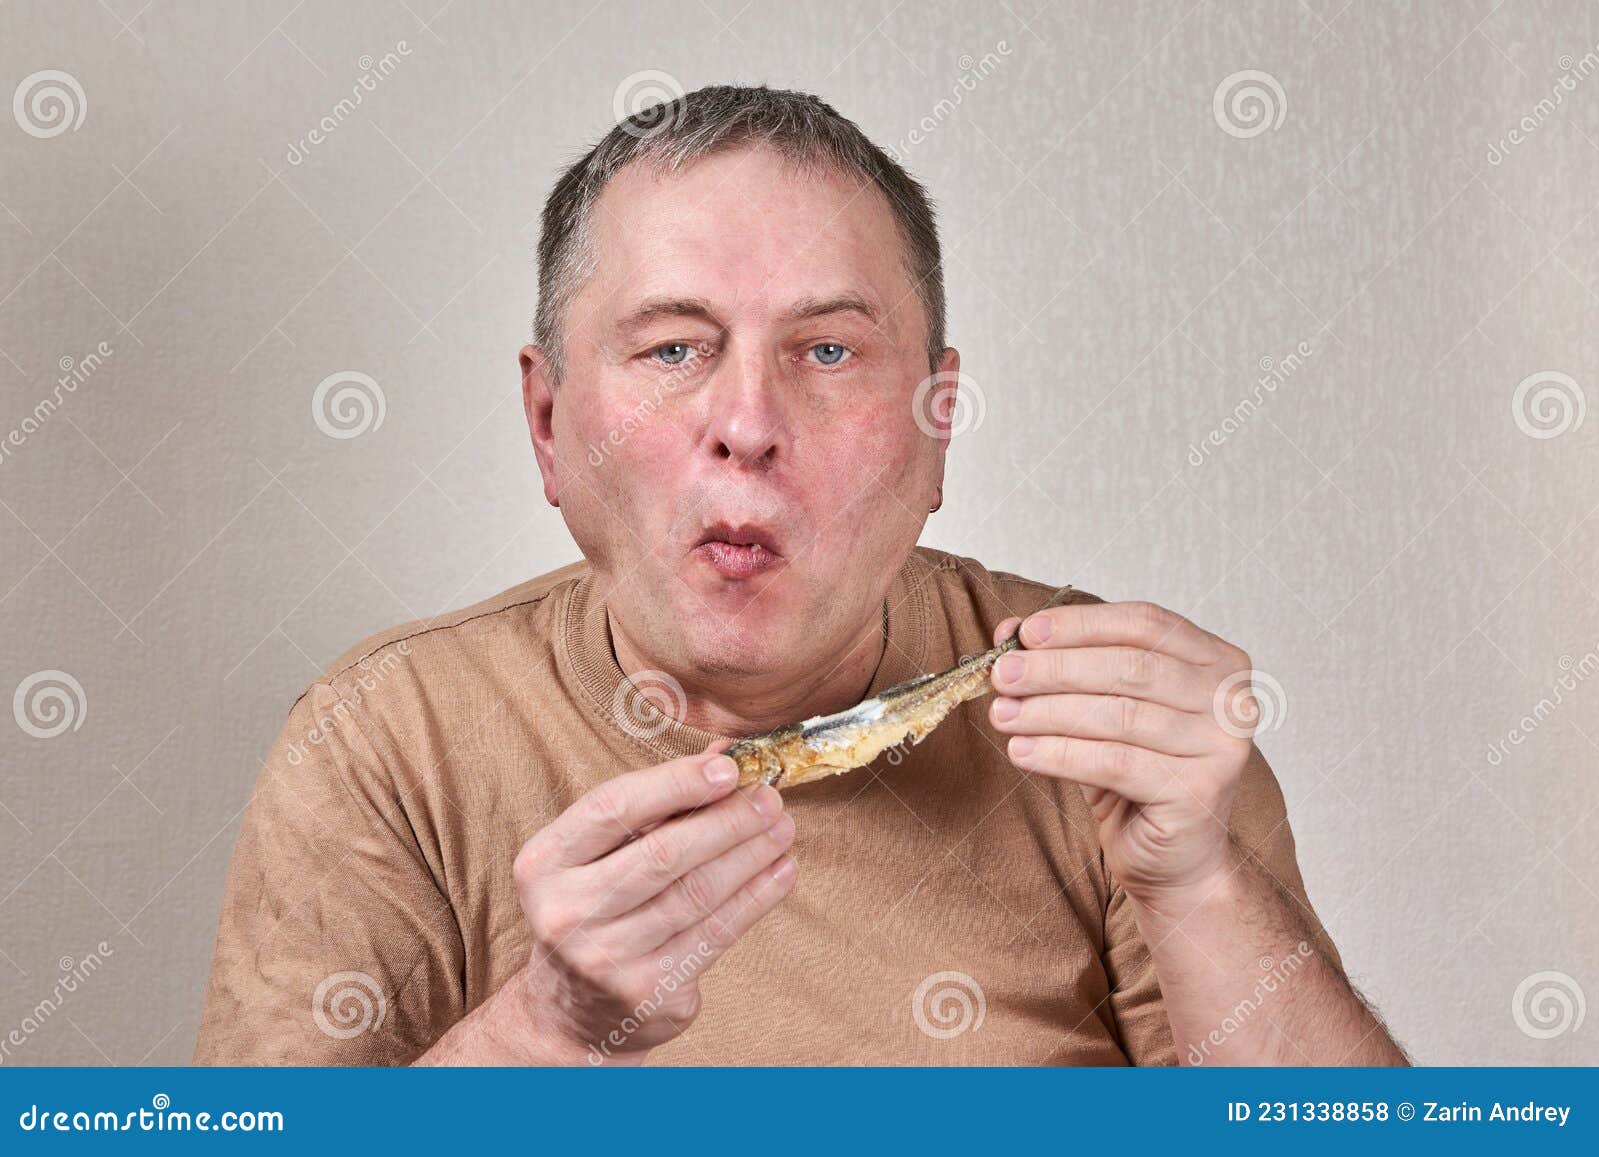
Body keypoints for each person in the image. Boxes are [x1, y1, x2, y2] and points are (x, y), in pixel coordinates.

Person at [194, 85, 1407, 1066]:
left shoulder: (1108, 716)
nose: (749, 421)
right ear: (550, 421)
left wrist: (1191, 877)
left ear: (937, 423)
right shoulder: (383, 740)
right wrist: (544, 1031)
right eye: (674, 347)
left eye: (828, 350)